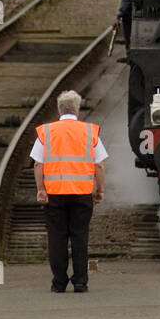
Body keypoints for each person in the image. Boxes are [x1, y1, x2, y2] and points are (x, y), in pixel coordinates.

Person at [30, 90, 108, 293]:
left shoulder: (46, 132)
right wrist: (99, 190)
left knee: (57, 237)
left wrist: (41, 190)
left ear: (59, 109)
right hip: (82, 194)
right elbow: (99, 165)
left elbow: (38, 164)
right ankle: (80, 282)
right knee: (80, 237)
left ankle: (59, 283)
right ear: (77, 109)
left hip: (54, 195)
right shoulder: (90, 131)